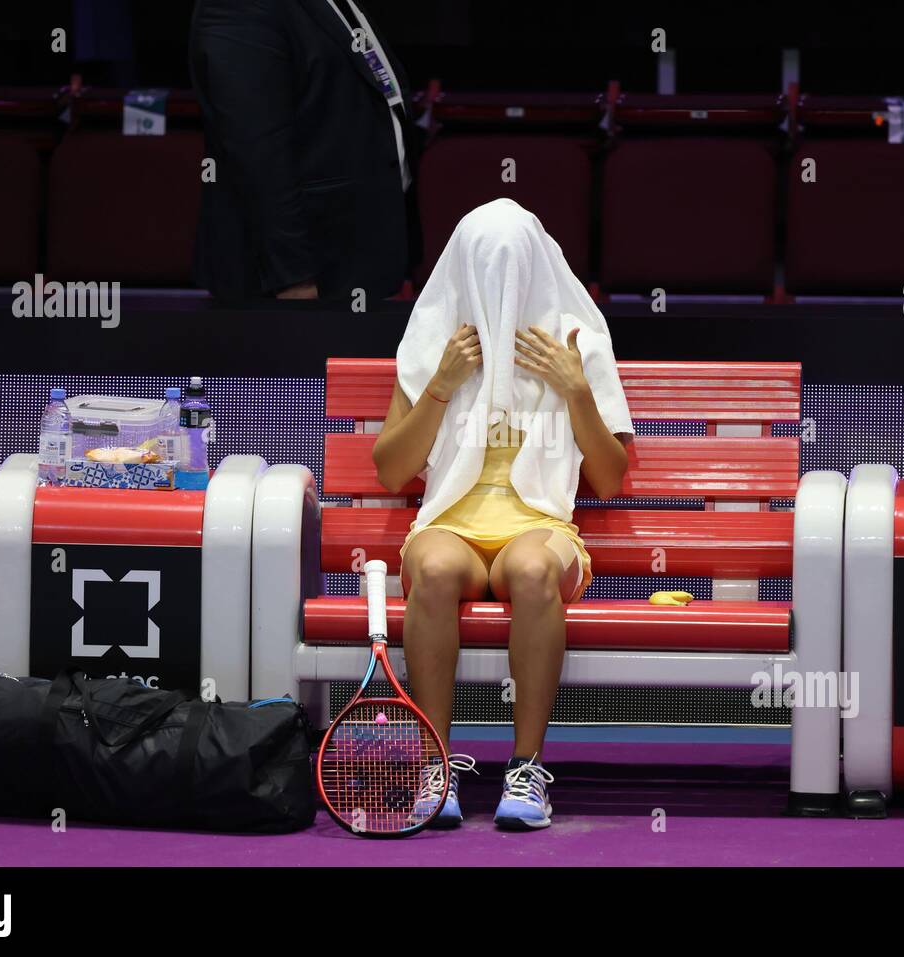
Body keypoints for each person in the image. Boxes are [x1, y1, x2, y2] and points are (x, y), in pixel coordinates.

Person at [372, 199, 634, 830]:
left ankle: (526, 769)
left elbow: (609, 477)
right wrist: (440, 385)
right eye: (485, 269)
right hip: (451, 523)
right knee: (432, 570)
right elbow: (389, 468)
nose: (500, 288)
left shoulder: (576, 343)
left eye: (513, 268)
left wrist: (576, 392)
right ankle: (437, 765)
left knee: (535, 571)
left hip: (538, 523)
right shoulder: (435, 342)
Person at [189, 0, 416, 301]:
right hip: (302, 277)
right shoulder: (240, 6)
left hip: (356, 260)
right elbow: (258, 157)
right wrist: (293, 279)